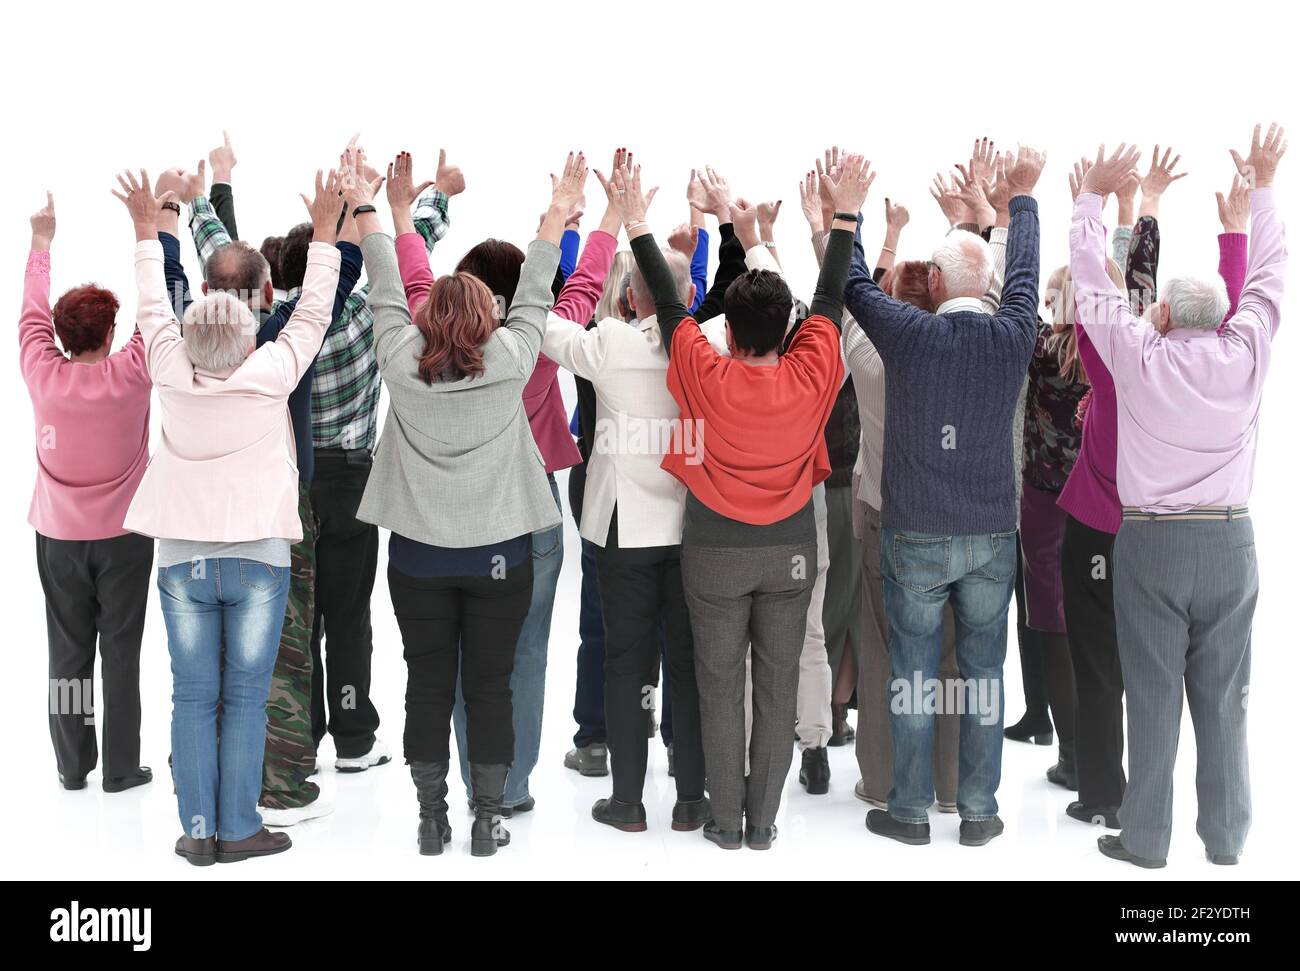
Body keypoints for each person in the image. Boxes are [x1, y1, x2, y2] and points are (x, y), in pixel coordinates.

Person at [616, 155, 870, 850]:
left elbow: (670, 307)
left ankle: (724, 821)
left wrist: (638, 219)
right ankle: (763, 823)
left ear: (729, 329)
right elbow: (828, 299)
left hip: (715, 550)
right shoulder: (814, 362)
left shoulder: (703, 366)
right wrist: (842, 216)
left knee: (718, 685)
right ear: (785, 325)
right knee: (779, 684)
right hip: (790, 549)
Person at [353, 151, 582, 857]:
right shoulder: (513, 358)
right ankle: (488, 817)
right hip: (499, 556)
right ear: (491, 316)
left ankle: (432, 817)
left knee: (427, 683)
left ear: (425, 322)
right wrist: (561, 209)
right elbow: (539, 282)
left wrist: (376, 206)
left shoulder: (399, 355)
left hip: (419, 557)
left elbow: (390, 283)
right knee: (490, 681)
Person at [116, 166, 344, 866]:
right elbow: (312, 312)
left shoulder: (166, 365)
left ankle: (198, 829)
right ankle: (240, 825)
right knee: (245, 695)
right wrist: (328, 233)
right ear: (248, 337)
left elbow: (154, 302)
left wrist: (149, 226)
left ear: (189, 337)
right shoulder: (271, 372)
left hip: (183, 559)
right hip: (258, 560)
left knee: (191, 694)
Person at [1069, 129, 1285, 869]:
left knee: (1153, 697)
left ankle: (1146, 839)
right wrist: (1260, 197)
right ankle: (1225, 840)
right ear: (1219, 316)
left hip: (1152, 544)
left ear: (1164, 314)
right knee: (1226, 704)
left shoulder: (1138, 354)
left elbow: (1094, 287)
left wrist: (1092, 198)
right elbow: (1271, 279)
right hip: (1230, 543)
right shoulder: (1247, 350)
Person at [845, 144, 1045, 848]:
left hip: (916, 532)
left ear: (931, 281)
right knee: (985, 673)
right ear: (985, 285)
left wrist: (848, 212)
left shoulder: (908, 334)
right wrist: (1019, 201)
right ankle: (980, 810)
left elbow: (853, 288)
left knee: (911, 671)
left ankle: (907, 808)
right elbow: (1023, 278)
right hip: (991, 532)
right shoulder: (1014, 332)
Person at [542, 154, 710, 833]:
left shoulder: (610, 339)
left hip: (620, 531)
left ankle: (629, 800)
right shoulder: (706, 344)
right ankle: (693, 797)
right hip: (690, 529)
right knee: (689, 662)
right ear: (686, 297)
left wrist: (592, 225)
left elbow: (549, 327)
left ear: (630, 296)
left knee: (623, 659)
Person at [21, 192, 155, 795]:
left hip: (59, 541)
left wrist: (41, 243)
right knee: (121, 654)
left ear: (61, 335)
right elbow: (158, 314)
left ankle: (73, 765)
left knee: (69, 654)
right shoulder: (132, 373)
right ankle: (121, 769)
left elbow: (28, 317)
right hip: (125, 539)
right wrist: (149, 231)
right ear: (110, 331)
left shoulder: (41, 372)